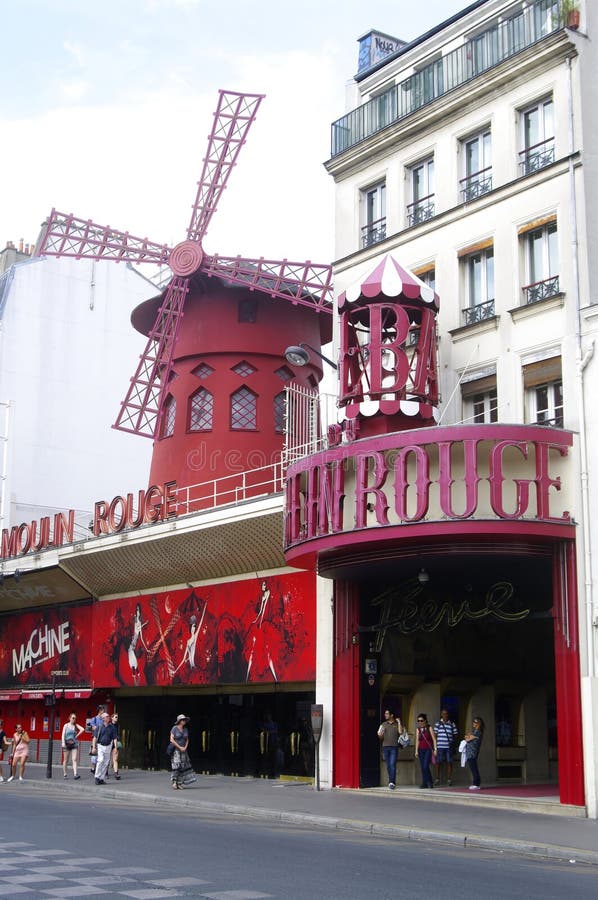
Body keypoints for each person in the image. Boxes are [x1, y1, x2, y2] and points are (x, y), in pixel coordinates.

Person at [377, 709, 403, 789]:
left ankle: (392, 782)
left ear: (391, 715)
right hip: (385, 747)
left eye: (387, 714)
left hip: (394, 747)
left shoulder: (397, 724)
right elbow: (380, 736)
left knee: (392, 764)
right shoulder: (383, 724)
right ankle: (391, 781)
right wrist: (380, 734)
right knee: (388, 766)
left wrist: (399, 722)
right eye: (385, 713)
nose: (385, 715)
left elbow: (400, 732)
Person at [169, 714, 196, 789]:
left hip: (184, 750)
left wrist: (185, 747)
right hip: (176, 750)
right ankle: (174, 782)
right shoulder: (174, 728)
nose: (184, 721)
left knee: (183, 766)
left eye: (185, 720)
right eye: (183, 720)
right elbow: (171, 739)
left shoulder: (185, 729)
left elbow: (187, 739)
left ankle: (179, 783)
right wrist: (179, 747)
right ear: (179, 721)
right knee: (176, 765)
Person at [92, 711, 118, 785]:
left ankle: (101, 778)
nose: (108, 717)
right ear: (103, 719)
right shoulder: (99, 727)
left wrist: (115, 748)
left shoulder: (112, 727)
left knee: (106, 762)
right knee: (100, 760)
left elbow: (115, 738)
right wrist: (94, 747)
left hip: (109, 746)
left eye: (108, 716)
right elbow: (94, 738)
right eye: (107, 716)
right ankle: (97, 777)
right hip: (100, 746)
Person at [433, 708, 458, 786]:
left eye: (446, 714)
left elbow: (456, 734)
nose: (445, 715)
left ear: (448, 715)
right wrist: (435, 747)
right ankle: (437, 778)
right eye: (443, 714)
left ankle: (449, 779)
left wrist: (452, 741)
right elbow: (435, 736)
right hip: (439, 747)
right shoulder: (437, 724)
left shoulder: (452, 724)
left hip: (448, 747)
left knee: (449, 762)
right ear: (441, 715)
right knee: (438, 763)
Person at [415, 712, 437, 789]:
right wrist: (416, 751)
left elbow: (434, 739)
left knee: (425, 766)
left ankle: (430, 782)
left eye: (421, 720)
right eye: (418, 721)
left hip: (428, 749)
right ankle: (425, 783)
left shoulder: (429, 728)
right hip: (421, 750)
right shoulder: (418, 729)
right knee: (422, 767)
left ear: (425, 720)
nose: (420, 722)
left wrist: (435, 749)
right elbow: (417, 740)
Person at [61, 712, 84, 779]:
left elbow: (82, 729)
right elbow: (63, 734)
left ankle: (75, 774)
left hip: (74, 744)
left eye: (75, 718)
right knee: (66, 760)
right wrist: (63, 742)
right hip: (67, 744)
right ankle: (65, 774)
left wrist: (76, 736)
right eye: (73, 718)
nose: (74, 719)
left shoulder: (75, 725)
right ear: (70, 718)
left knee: (74, 759)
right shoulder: (66, 725)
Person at [464, 715, 485, 790]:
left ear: (478, 724)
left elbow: (467, 739)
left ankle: (476, 783)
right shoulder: (475, 732)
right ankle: (476, 783)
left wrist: (469, 737)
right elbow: (466, 737)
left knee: (474, 768)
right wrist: (468, 736)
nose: (473, 723)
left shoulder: (477, 732)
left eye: (474, 722)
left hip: (472, 752)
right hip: (470, 752)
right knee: (473, 767)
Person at [89, 704, 106, 774]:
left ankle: (98, 769)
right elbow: (93, 728)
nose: (104, 711)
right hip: (95, 739)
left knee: (101, 754)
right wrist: (99, 728)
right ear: (99, 711)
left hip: (102, 739)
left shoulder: (104, 719)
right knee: (94, 755)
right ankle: (93, 768)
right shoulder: (94, 719)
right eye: (103, 710)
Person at [110, 712, 122, 780]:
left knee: (115, 759)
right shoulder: (109, 725)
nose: (117, 718)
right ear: (112, 718)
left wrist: (116, 745)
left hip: (115, 743)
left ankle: (116, 773)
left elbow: (117, 735)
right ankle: (105, 772)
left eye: (117, 717)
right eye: (116, 717)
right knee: (107, 759)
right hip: (109, 743)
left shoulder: (117, 726)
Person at [0, 718, 10, 783]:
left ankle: (1, 776)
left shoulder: (3, 732)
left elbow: (5, 742)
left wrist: (11, 742)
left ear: (1, 725)